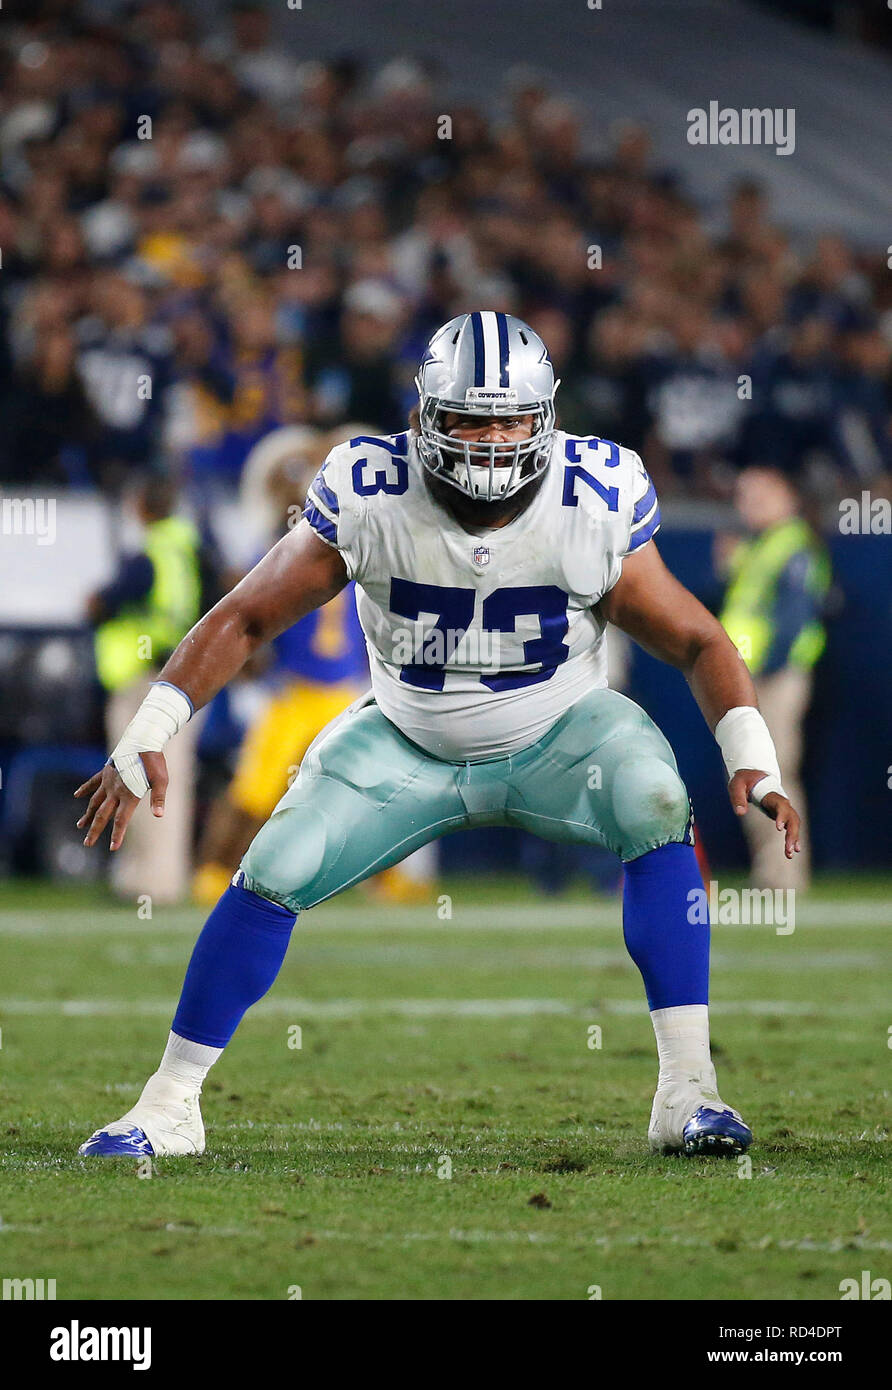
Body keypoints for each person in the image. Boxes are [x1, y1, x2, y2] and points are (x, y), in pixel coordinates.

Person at [75, 313, 801, 1161]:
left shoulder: (592, 494)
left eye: (509, 420)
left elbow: (697, 639)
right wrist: (154, 725)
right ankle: (170, 1105)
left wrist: (750, 753)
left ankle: (689, 1092)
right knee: (278, 863)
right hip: (408, 737)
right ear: (425, 416)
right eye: (467, 419)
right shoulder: (370, 487)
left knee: (653, 795)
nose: (491, 442)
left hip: (561, 733)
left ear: (546, 417)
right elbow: (245, 616)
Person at [87, 476, 203, 903]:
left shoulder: (150, 553)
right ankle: (159, 879)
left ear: (141, 507)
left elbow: (104, 603)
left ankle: (148, 883)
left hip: (145, 682)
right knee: (169, 781)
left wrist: (95, 602)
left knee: (137, 778)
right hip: (183, 682)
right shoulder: (190, 550)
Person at [719, 467, 829, 890]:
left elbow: (792, 620)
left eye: (761, 495)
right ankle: (771, 873)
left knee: (773, 773)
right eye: (744, 495)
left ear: (787, 497)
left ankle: (784, 876)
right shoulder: (754, 546)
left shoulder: (792, 544)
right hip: (749, 678)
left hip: (775, 677)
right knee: (754, 773)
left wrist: (761, 671)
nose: (749, 504)